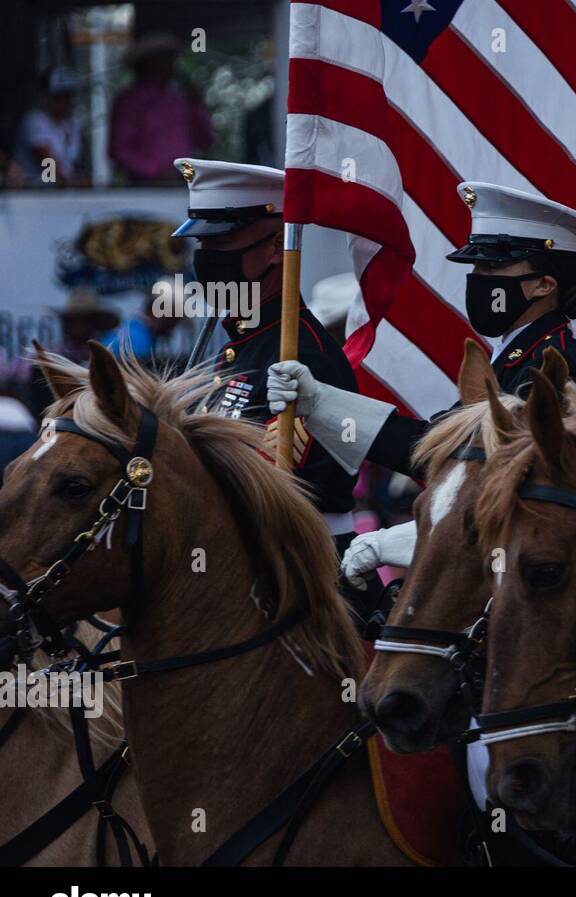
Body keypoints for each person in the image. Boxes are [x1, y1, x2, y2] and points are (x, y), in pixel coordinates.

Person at [267, 181, 576, 581]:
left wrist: (399, 539)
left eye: (494, 268)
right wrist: (320, 402)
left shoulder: (556, 363)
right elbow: (433, 446)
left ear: (544, 284)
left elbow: (515, 485)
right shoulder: (516, 355)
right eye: (476, 267)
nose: (479, 279)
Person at [172, 158, 360, 551]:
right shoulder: (240, 344)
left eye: (221, 242)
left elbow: (273, 483)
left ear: (277, 246)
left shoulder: (301, 353)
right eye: (202, 243)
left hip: (301, 567)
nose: (206, 256)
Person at [110, 35, 214, 184]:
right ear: (145, 63)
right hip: (145, 185)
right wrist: (154, 171)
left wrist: (197, 105)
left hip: (184, 180)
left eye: (170, 58)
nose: (170, 64)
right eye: (163, 58)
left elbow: (206, 141)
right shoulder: (130, 101)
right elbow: (119, 150)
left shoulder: (179, 100)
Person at [15, 68, 83, 185]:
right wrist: (69, 181)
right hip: (34, 192)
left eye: (67, 96)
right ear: (45, 96)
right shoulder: (34, 120)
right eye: (57, 96)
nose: (63, 101)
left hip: (63, 190)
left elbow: (72, 163)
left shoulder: (71, 124)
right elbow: (46, 162)